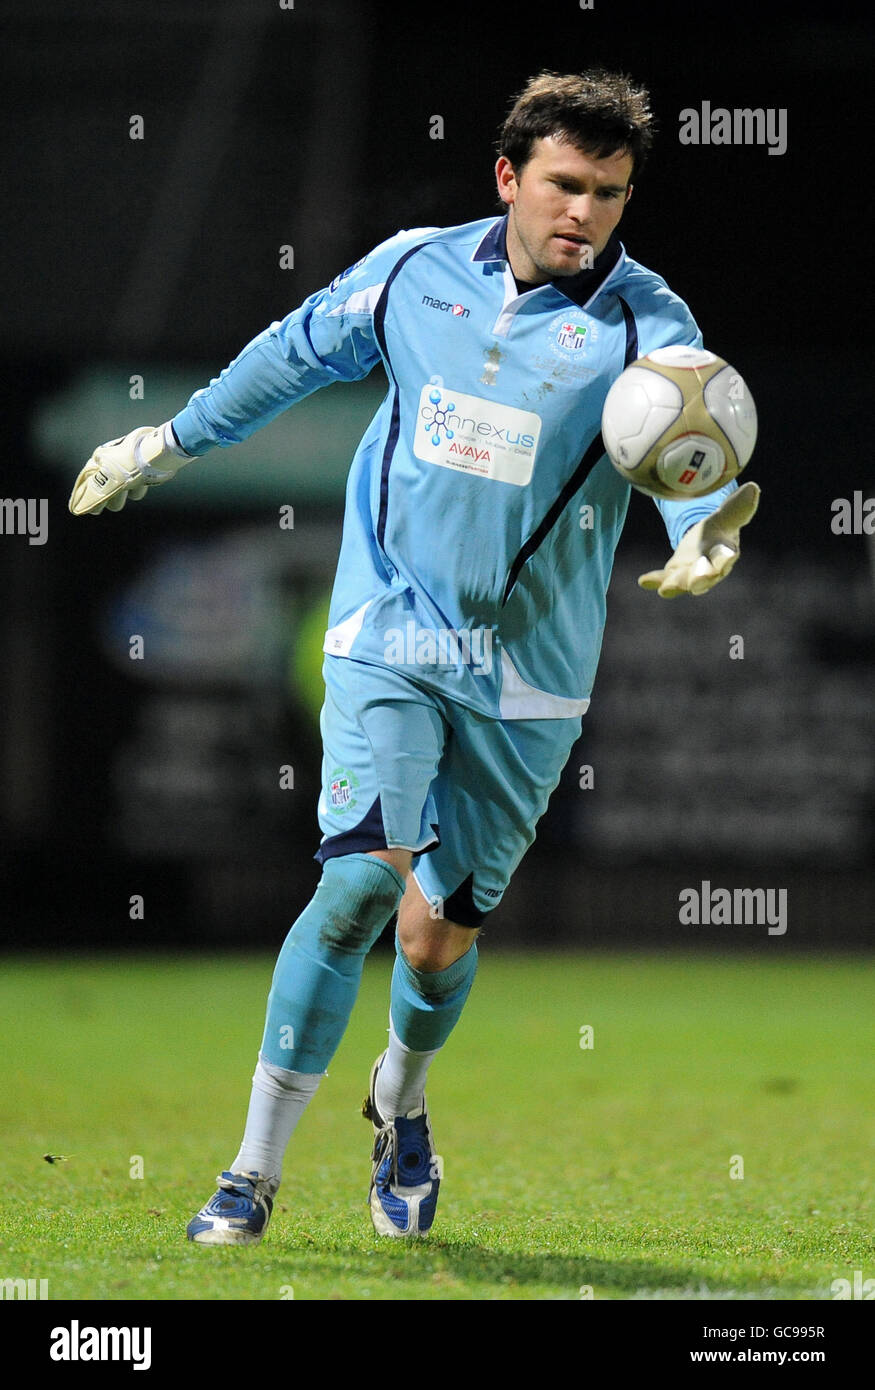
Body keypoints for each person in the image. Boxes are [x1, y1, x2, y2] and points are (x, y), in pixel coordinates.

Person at [69, 68, 759, 1244]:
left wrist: (704, 539)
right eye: (563, 185)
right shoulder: (408, 270)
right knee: (355, 886)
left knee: (436, 941)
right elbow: (292, 355)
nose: (583, 213)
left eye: (608, 193)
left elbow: (689, 451)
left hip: (527, 674)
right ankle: (249, 1176)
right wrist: (169, 439)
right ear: (506, 175)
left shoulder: (650, 326)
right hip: (389, 631)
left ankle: (400, 1094)